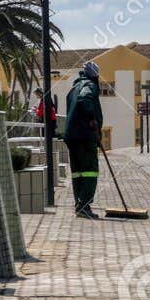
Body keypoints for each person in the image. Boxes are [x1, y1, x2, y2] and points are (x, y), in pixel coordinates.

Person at [62, 61, 104, 219]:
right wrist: (92, 118)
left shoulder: (73, 88)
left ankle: (79, 204)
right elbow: (85, 99)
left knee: (78, 172)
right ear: (94, 75)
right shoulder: (89, 86)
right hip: (85, 136)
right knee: (90, 171)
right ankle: (84, 204)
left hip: (72, 136)